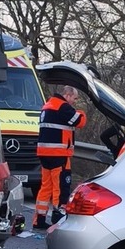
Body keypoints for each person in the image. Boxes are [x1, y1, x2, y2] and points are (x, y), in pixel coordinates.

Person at [34, 86, 86, 230]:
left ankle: (39, 219)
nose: (74, 102)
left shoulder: (47, 105)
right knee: (60, 187)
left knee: (46, 187)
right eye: (74, 99)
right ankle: (58, 218)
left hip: (44, 153)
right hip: (58, 153)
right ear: (68, 95)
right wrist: (81, 112)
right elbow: (80, 121)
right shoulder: (62, 106)